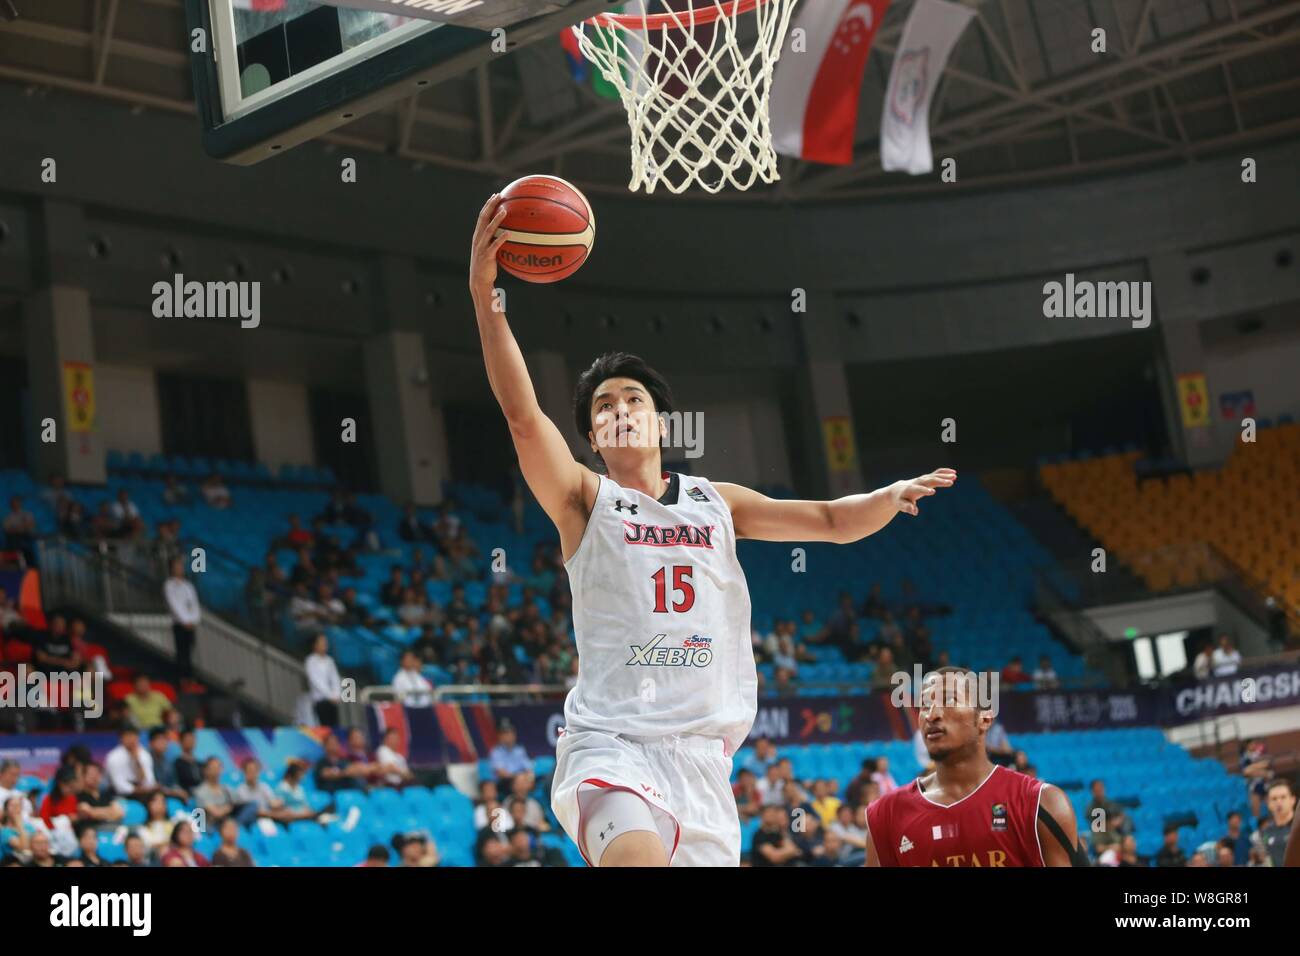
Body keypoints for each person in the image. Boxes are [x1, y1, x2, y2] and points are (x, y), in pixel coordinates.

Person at [472, 199, 956, 868]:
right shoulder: (586, 499)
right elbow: (524, 418)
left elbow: (827, 521)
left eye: (634, 399)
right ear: (591, 438)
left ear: (661, 424)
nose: (620, 409)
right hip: (611, 744)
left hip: (703, 760)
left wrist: (886, 497)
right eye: (604, 406)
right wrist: (486, 298)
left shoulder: (715, 502)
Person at [865, 667, 1084, 867]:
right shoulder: (885, 816)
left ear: (985, 719)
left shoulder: (1040, 803)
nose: (932, 714)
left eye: (949, 700)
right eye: (924, 705)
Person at [163, 557, 200, 679]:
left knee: (189, 652)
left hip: (190, 624)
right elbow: (174, 605)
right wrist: (184, 621)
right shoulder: (169, 585)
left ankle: (190, 678)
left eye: (181, 566)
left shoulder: (188, 585)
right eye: (177, 566)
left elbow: (194, 604)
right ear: (172, 569)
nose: (179, 569)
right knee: (181, 652)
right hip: (179, 623)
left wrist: (194, 620)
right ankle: (182, 679)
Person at [105, 727, 156, 800]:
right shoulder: (113, 757)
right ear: (121, 738)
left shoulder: (144, 755)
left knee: (158, 799)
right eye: (128, 736)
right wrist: (138, 790)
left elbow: (150, 781)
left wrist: (137, 760)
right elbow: (119, 785)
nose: (131, 739)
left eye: (134, 736)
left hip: (143, 792)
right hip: (121, 794)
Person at [1254, 778, 1296, 867]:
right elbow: (1266, 861)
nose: (1279, 802)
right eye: (1274, 799)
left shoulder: (1297, 828)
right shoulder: (1264, 833)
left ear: (1292, 800)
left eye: (1283, 797)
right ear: (1268, 803)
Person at [305, 634, 343, 727]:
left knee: (335, 726)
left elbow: (335, 678)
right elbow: (315, 681)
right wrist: (329, 695)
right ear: (315, 645)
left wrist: (337, 694)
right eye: (321, 643)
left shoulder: (329, 660)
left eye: (325, 643)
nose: (324, 645)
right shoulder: (311, 661)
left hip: (332, 700)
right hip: (320, 700)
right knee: (324, 727)